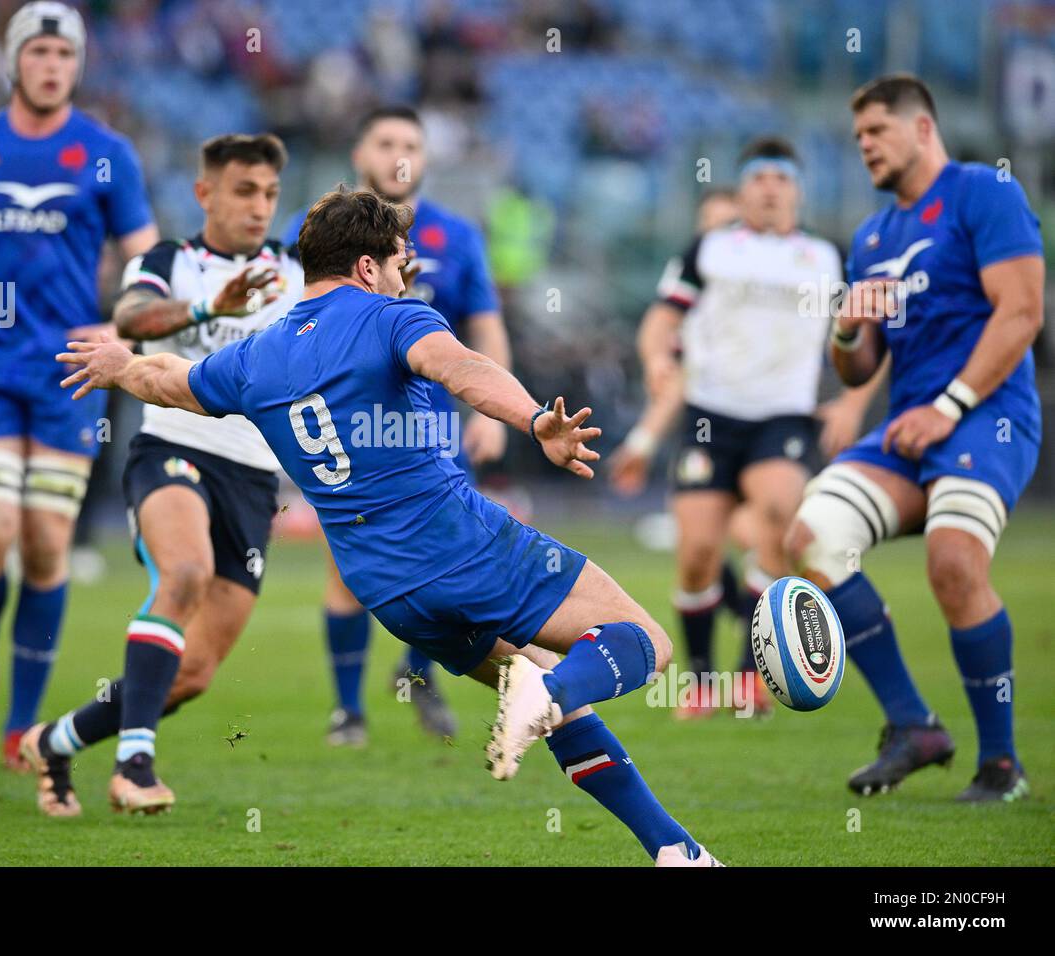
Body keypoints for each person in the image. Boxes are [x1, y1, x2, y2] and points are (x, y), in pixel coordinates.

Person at [56, 187, 722, 866]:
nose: (408, 276)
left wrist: (122, 366)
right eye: (401, 262)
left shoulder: (257, 358)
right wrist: (533, 421)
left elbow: (171, 379)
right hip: (455, 543)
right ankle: (546, 696)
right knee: (644, 641)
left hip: (384, 587)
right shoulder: (391, 319)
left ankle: (675, 850)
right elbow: (462, 368)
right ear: (368, 268)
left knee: (551, 693)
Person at [0, 1, 158, 769]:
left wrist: (127, 327)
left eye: (64, 54)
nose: (51, 65)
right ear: (15, 61)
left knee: (46, 546)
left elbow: (148, 264)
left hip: (71, 377)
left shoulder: (107, 154)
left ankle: (19, 723)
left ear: (77, 65)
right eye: (39, 52)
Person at [19, 133, 302, 815]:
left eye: (268, 193)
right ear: (205, 192)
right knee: (182, 574)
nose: (259, 206)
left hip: (254, 477)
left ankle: (55, 741)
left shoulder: (296, 271)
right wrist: (211, 307)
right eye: (243, 190)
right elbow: (130, 318)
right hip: (172, 447)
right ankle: (134, 768)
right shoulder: (169, 261)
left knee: (193, 673)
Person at [785, 74, 1044, 801]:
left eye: (877, 132)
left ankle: (1001, 765)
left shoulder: (983, 194)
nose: (864, 146)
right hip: (910, 424)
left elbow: (1022, 312)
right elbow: (861, 362)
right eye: (858, 135)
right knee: (809, 537)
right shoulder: (872, 236)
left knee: (954, 562)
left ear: (923, 128)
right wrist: (845, 326)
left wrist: (951, 402)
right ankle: (914, 725)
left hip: (988, 415)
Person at [282, 106, 511, 746]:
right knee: (347, 570)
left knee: (450, 572)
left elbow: (485, 326)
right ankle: (348, 709)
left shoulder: (457, 236)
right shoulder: (316, 236)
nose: (399, 155)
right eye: (386, 142)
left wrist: (493, 413)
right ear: (360, 153)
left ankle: (418, 671)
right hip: (346, 430)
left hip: (431, 434)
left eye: (412, 142)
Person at [633, 139, 879, 718]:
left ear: (797, 189)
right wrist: (655, 359)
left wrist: (851, 404)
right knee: (697, 551)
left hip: (784, 415)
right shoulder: (711, 249)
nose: (770, 186)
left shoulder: (825, 255)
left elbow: (871, 338)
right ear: (743, 188)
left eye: (781, 177)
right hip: (709, 414)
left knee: (775, 519)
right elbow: (662, 317)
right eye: (759, 176)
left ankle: (749, 676)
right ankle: (699, 680)